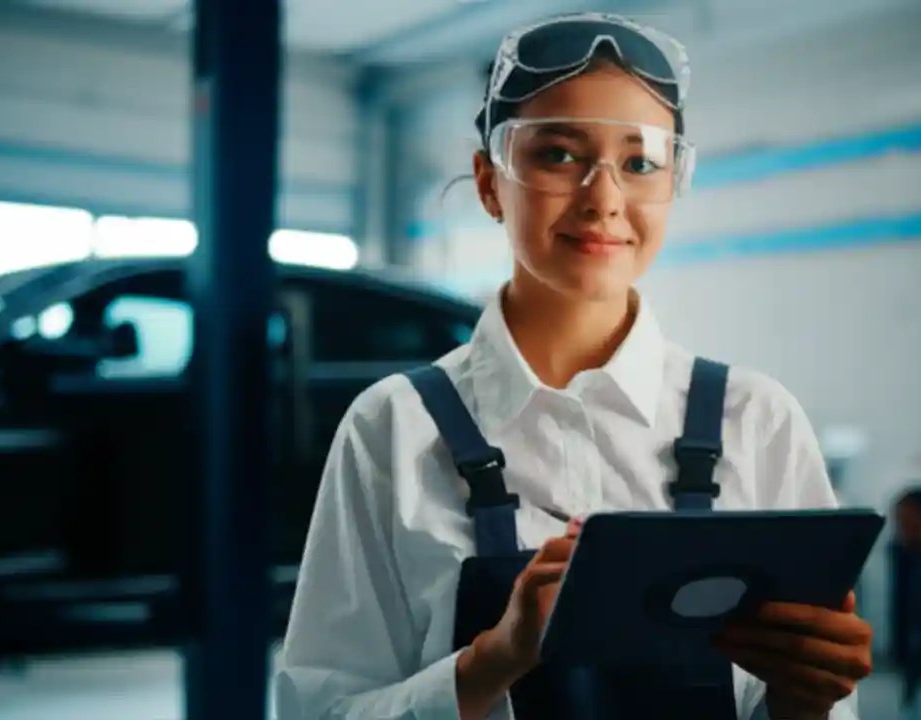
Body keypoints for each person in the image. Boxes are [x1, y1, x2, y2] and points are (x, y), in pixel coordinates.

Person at [275, 12, 872, 719]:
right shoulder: (394, 430)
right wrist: (492, 661)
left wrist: (804, 702)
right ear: (490, 182)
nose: (603, 198)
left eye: (640, 163)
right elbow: (321, 709)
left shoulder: (757, 422)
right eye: (558, 154)